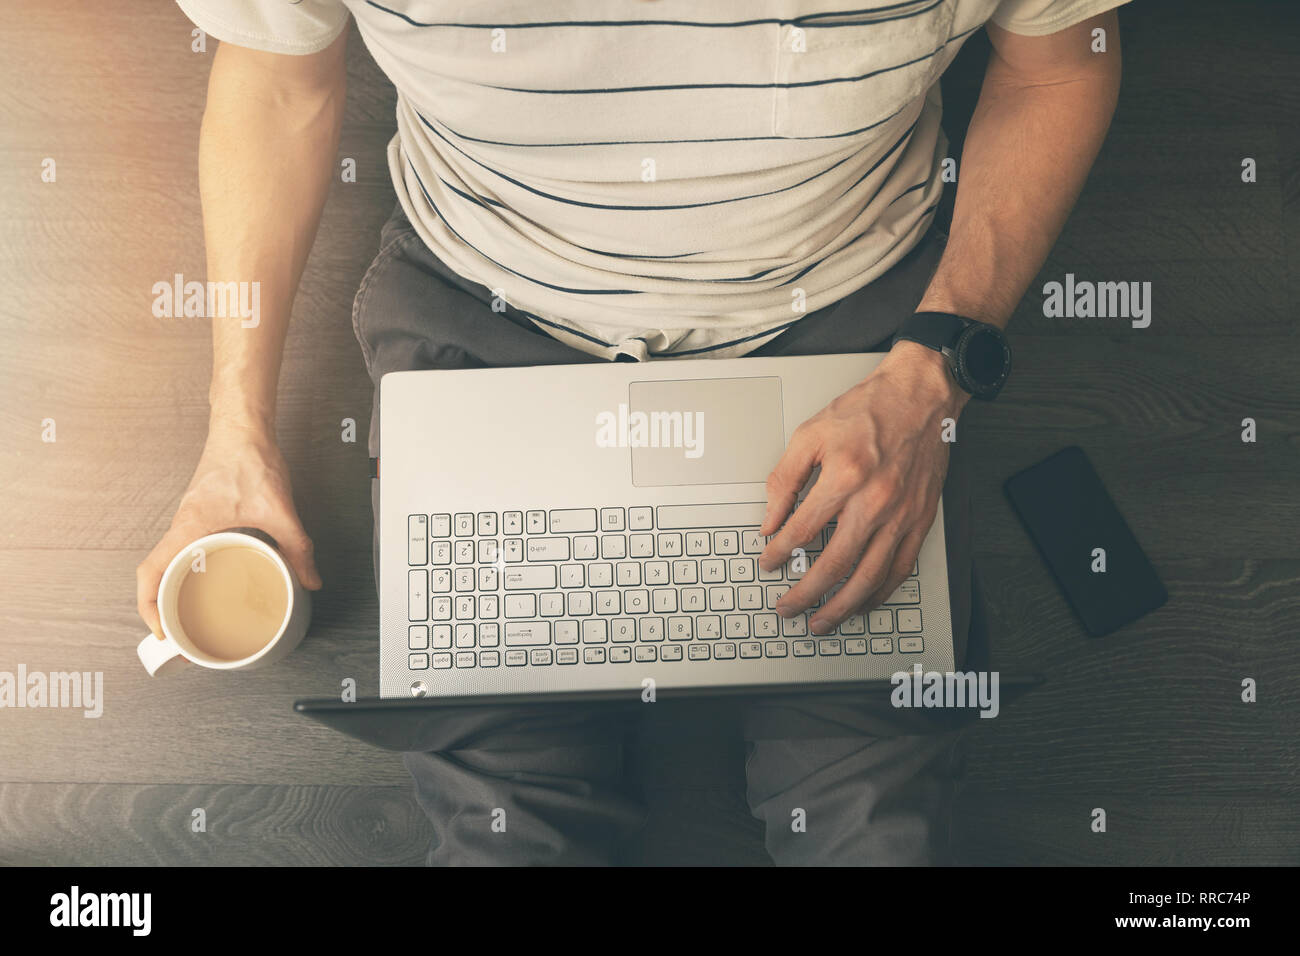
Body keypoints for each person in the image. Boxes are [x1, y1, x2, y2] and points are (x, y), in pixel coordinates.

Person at [141, 0, 1125, 864]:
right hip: (488, 315)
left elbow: (1057, 62)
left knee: (877, 827)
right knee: (505, 832)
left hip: (853, 334)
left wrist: (931, 376)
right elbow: (274, 78)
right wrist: (236, 430)